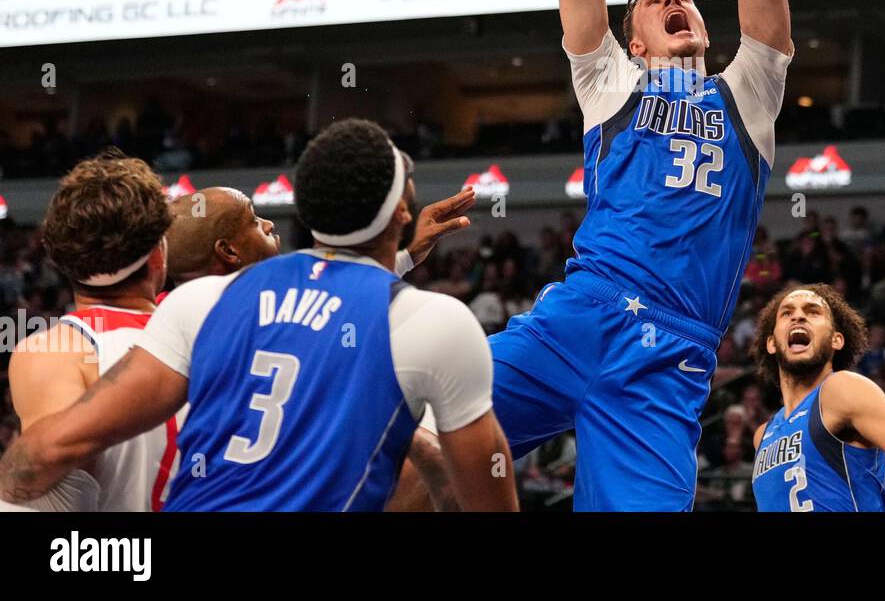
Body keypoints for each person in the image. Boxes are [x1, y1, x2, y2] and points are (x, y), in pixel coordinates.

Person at [486, 0, 794, 511]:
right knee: (417, 428)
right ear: (636, 42)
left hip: (670, 352)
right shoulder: (608, 83)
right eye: (655, 0)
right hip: (582, 313)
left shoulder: (748, 92)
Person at [0, 119, 517, 512]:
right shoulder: (222, 320)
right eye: (253, 220)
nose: (267, 224)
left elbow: (44, 460)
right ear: (158, 255)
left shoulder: (193, 312)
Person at [1, 151, 178, 512]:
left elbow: (46, 471)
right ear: (158, 255)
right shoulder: (215, 335)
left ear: (60, 258)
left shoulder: (55, 352)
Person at [749, 284, 885, 512]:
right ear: (771, 343)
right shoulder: (763, 435)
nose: (798, 316)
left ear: (836, 340)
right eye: (787, 313)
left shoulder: (841, 390)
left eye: (813, 312)